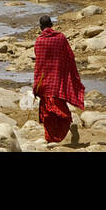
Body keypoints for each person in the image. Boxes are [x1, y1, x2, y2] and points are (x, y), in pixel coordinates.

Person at [32, 15, 84, 145]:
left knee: (47, 112)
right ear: (51, 25)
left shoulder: (39, 41)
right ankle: (64, 129)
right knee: (59, 109)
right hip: (57, 81)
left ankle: (50, 139)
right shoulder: (60, 38)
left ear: (41, 27)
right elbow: (70, 56)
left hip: (44, 82)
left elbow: (39, 64)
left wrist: (36, 85)